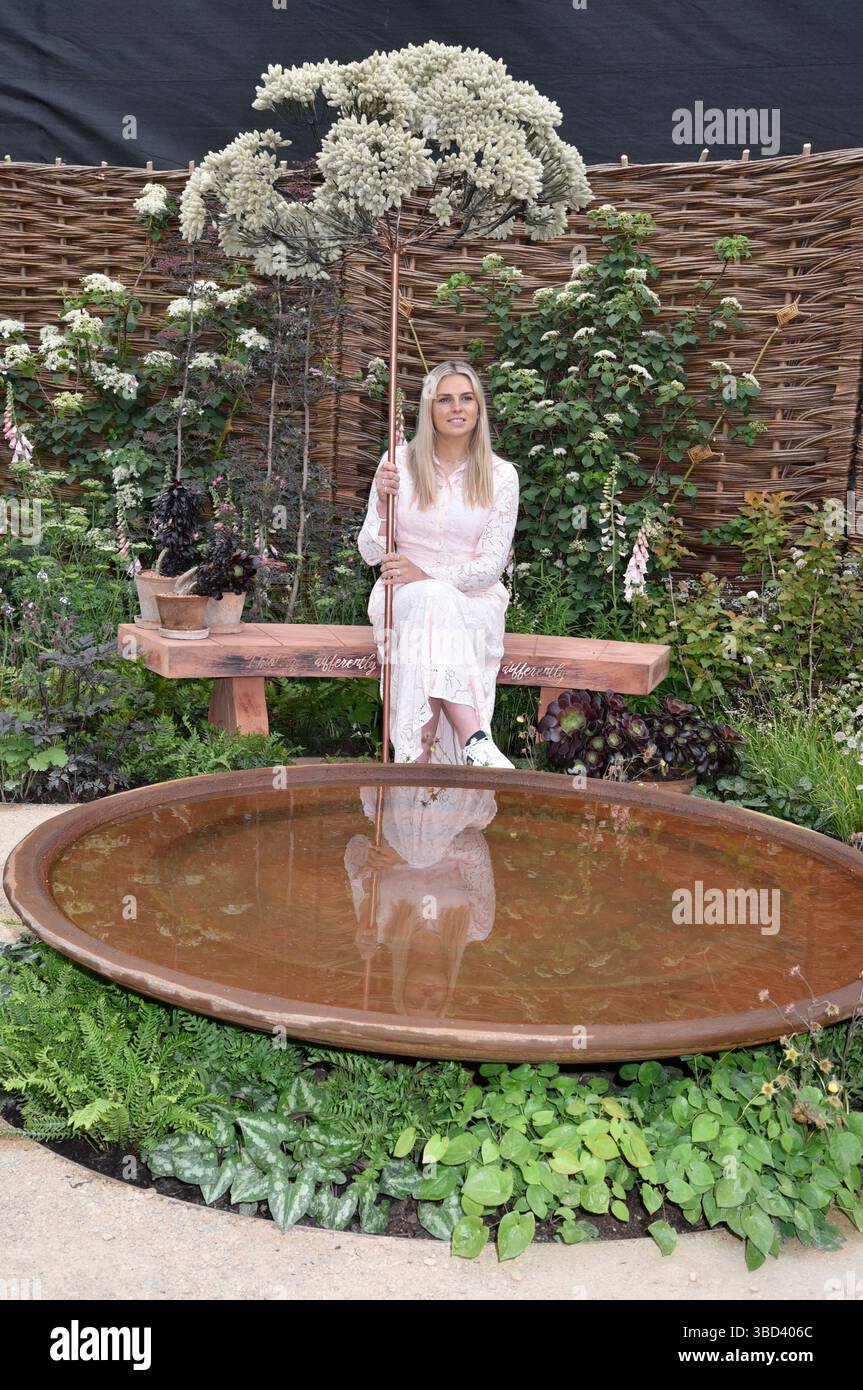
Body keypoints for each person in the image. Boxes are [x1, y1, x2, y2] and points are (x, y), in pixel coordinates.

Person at [356, 359, 520, 767]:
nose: (456, 407)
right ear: (429, 409)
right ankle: (475, 737)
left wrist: (426, 575)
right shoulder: (397, 462)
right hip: (400, 598)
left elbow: (489, 567)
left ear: (479, 408)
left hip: (474, 604)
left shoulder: (501, 476)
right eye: (445, 399)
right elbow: (370, 553)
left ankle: (416, 758)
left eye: (466, 398)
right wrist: (380, 501)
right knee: (429, 600)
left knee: (434, 599)